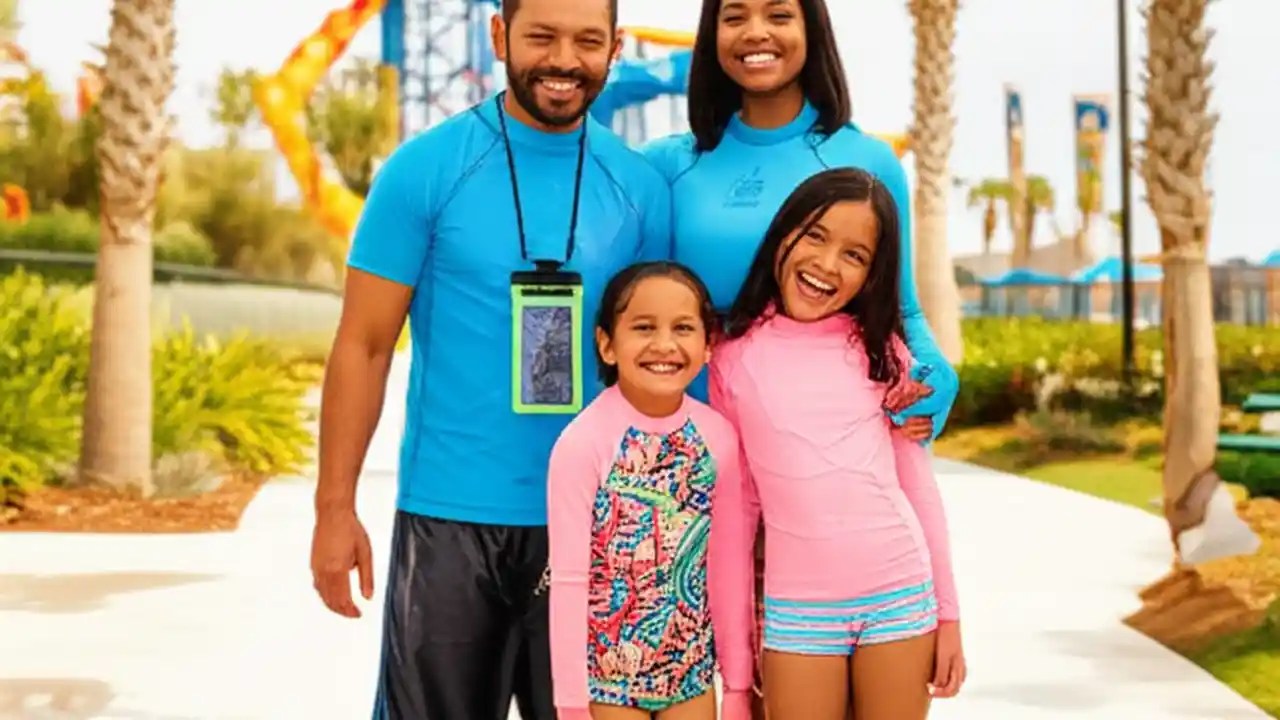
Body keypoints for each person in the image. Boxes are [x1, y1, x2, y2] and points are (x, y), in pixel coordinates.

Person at [307, 0, 671, 715]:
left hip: (594, 522)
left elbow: (666, 364)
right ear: (500, 35)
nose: (564, 59)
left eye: (587, 41)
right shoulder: (424, 170)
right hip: (449, 521)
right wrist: (333, 509)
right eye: (541, 36)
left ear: (615, 48)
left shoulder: (640, 189)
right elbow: (364, 344)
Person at [708, 168, 965, 720]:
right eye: (816, 236)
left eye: (855, 255)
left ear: (873, 275)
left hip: (900, 594)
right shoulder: (733, 361)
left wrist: (949, 615)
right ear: (783, 235)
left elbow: (918, 488)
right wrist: (733, 673)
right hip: (797, 611)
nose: (827, 265)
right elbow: (736, 518)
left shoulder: (882, 352)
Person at [641, 0, 957, 436]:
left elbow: (901, 311)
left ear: (811, 28)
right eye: (734, 17)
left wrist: (936, 372)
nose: (755, 32)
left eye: (778, 15)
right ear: (712, 35)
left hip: (821, 442)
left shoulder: (869, 162)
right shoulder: (665, 165)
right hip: (699, 446)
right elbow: (639, 307)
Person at [545, 261, 753, 720]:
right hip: (607, 685)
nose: (665, 344)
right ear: (607, 344)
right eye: (643, 327)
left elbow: (728, 567)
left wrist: (737, 684)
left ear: (707, 345)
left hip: (690, 679)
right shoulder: (583, 443)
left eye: (683, 328)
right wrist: (572, 706)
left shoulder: (717, 438)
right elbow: (569, 580)